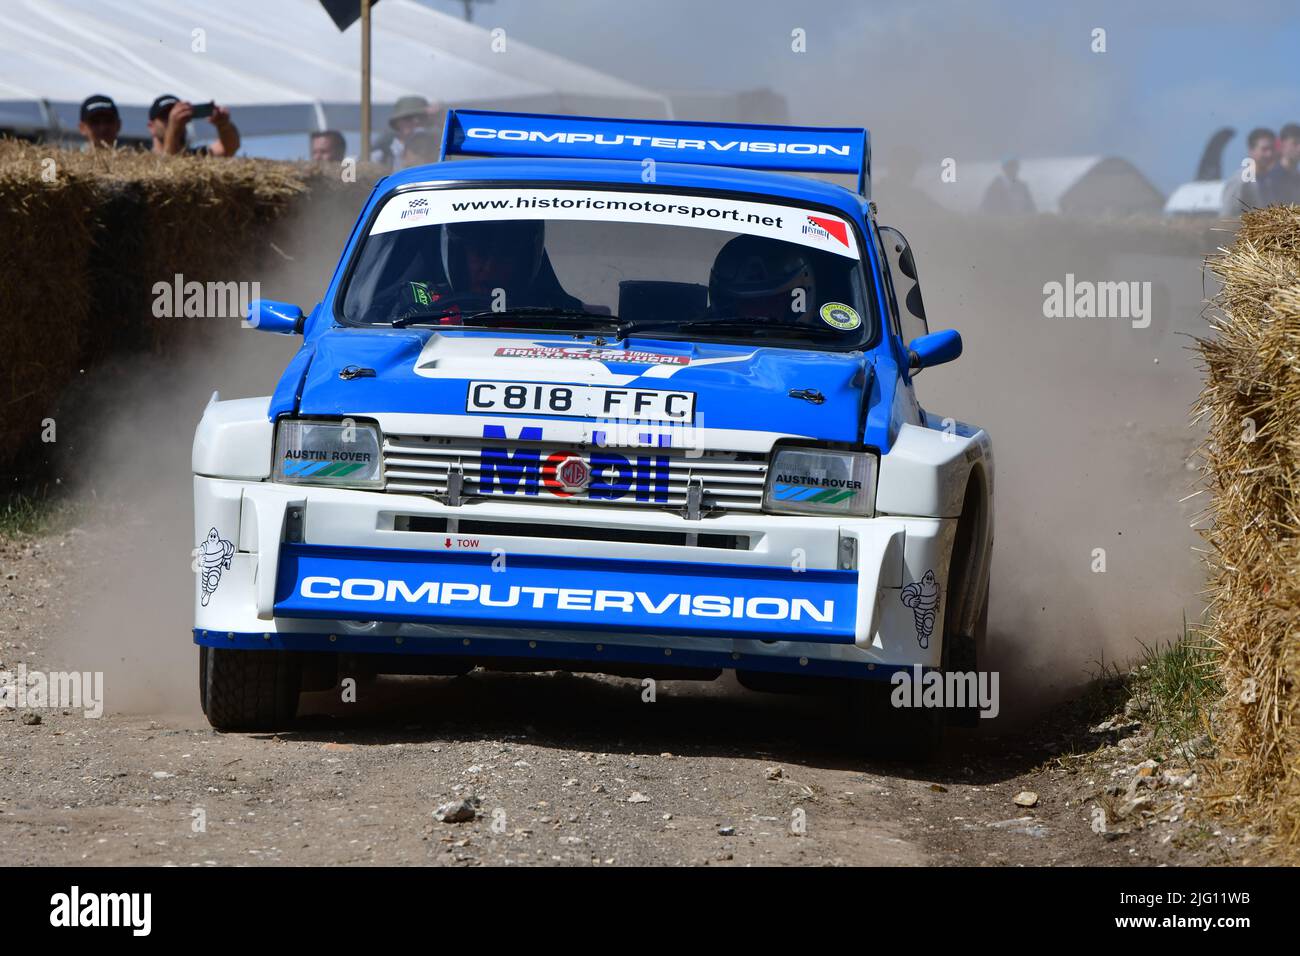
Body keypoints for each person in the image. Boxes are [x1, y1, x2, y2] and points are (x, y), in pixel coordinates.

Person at [388, 219, 581, 324]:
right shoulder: (419, 307)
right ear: (458, 257)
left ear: (523, 261)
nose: (489, 268)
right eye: (479, 254)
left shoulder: (556, 315)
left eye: (503, 256)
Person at [708, 235, 817, 322]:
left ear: (792, 301)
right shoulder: (698, 332)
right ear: (732, 305)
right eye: (750, 302)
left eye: (772, 300)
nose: (760, 311)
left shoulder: (826, 341)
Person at [148, 94, 240, 157]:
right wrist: (173, 129)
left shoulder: (194, 156)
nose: (172, 119)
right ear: (151, 127)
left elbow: (228, 148)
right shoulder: (142, 161)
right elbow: (168, 166)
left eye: (177, 114)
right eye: (165, 116)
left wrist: (223, 124)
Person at [376, 95, 442, 169]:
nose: (416, 121)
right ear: (397, 122)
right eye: (408, 118)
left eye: (421, 117)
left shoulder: (435, 146)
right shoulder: (382, 152)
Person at [1221, 127, 1275, 217]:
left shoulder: (1268, 182)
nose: (1269, 154)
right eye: (1264, 149)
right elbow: (1226, 219)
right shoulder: (1240, 181)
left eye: (1272, 149)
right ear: (1251, 150)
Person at [1262, 123, 1300, 206]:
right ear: (1283, 144)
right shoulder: (1271, 178)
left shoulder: (1297, 178)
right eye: (1295, 143)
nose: (1299, 148)